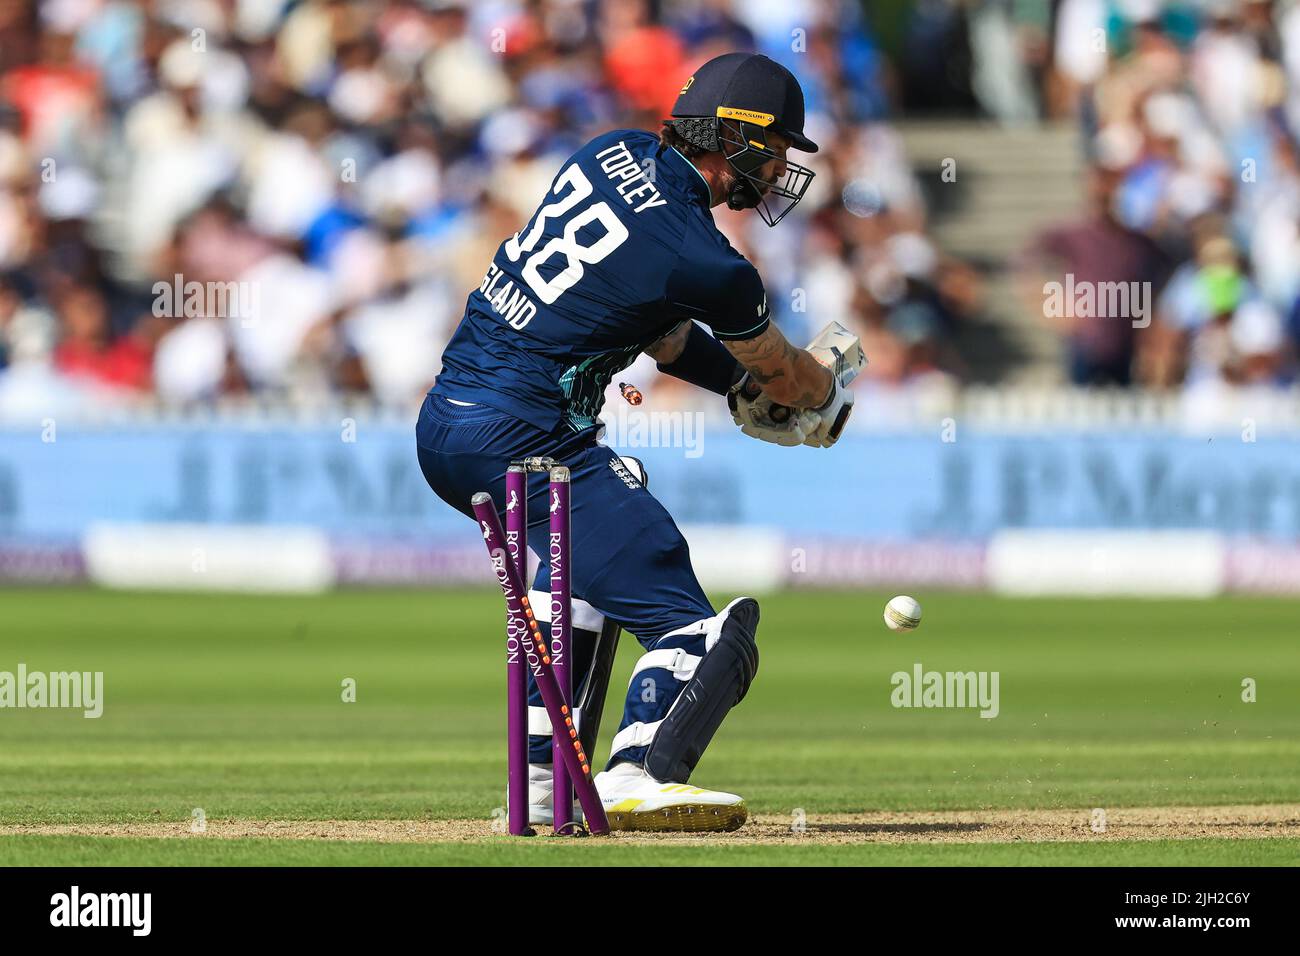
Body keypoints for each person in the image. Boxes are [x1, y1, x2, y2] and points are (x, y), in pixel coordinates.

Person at [416, 53, 852, 832]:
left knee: (582, 588)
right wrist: (820, 394)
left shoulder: (604, 154)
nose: (784, 164)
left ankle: (547, 786)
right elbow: (785, 374)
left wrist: (733, 388)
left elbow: (659, 329)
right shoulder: (711, 261)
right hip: (525, 431)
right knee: (705, 630)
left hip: (449, 422)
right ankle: (636, 773)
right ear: (737, 139)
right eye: (779, 144)